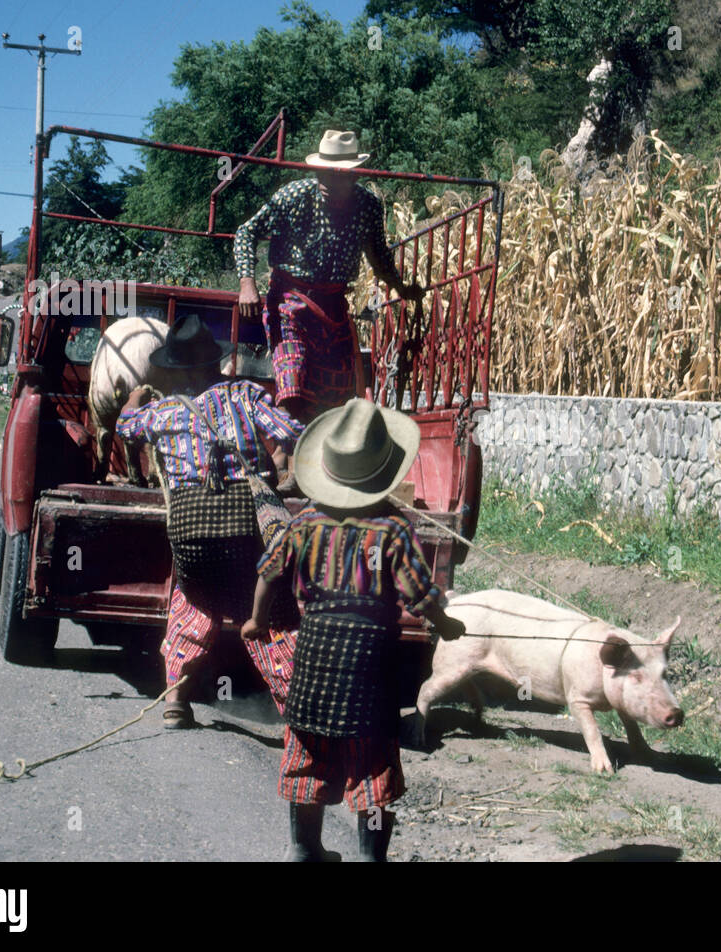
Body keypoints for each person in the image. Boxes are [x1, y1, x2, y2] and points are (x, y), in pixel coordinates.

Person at [241, 397, 464, 862]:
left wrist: (257, 620)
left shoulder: (302, 524)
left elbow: (268, 572)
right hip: (370, 668)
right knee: (373, 766)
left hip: (314, 660)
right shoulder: (393, 530)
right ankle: (370, 857)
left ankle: (303, 850)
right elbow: (421, 596)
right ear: (382, 473)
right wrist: (448, 624)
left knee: (307, 755)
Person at [116, 315, 303, 728]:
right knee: (270, 612)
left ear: (176, 369)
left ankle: (175, 700)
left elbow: (125, 427)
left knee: (192, 600)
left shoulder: (162, 411)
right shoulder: (245, 395)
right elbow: (292, 433)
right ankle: (296, 712)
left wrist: (134, 398)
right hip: (243, 532)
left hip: (190, 536)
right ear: (214, 364)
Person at [233, 129, 424, 434]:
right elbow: (246, 232)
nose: (325, 180)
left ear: (352, 177)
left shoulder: (367, 208)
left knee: (335, 394)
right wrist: (247, 284)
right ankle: (288, 457)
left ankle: (322, 460)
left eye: (334, 174)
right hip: (289, 301)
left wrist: (401, 288)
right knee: (292, 374)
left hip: (333, 307)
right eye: (322, 172)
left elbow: (379, 257)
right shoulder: (293, 196)